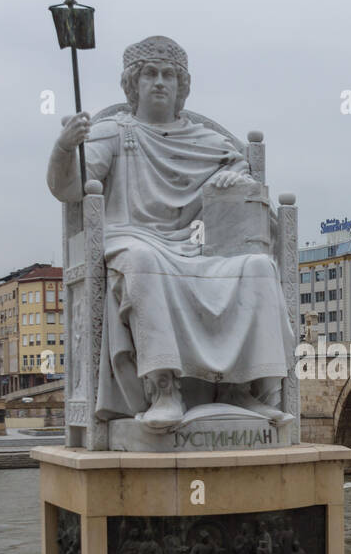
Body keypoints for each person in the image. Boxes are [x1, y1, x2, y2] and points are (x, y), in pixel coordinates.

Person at [47, 35, 294, 430]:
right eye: (150, 74)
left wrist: (235, 176)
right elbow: (71, 189)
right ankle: (163, 387)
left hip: (198, 247)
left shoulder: (208, 142)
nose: (159, 82)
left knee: (258, 266)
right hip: (133, 238)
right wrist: (63, 147)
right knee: (143, 263)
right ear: (133, 84)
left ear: (181, 86)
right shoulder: (114, 133)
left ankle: (241, 390)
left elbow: (244, 182)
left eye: (168, 75)